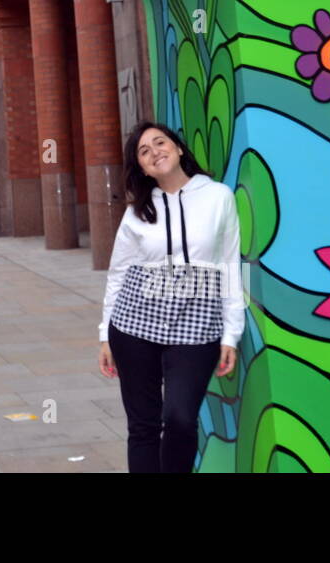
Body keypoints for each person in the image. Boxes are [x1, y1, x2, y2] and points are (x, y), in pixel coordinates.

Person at [97, 121, 243, 473]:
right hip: (135, 322)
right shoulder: (137, 212)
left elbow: (230, 264)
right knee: (143, 427)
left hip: (198, 320)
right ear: (142, 169)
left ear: (178, 148)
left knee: (179, 417)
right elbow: (118, 273)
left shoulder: (218, 196)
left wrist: (231, 333)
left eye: (159, 143)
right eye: (144, 152)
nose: (154, 152)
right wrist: (105, 334)